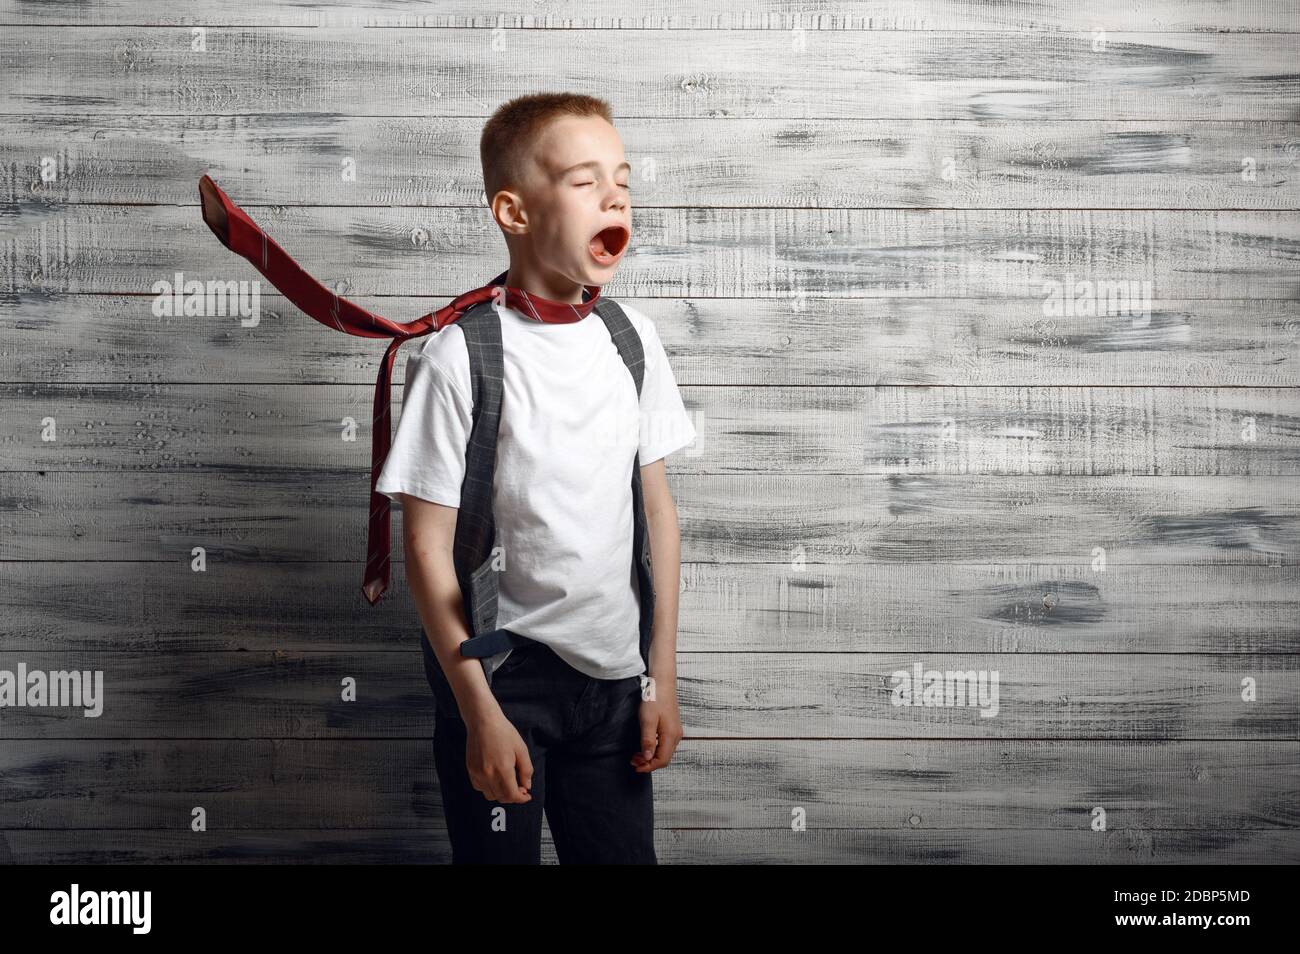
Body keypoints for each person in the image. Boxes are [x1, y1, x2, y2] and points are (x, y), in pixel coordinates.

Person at [374, 93, 695, 863]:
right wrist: (477, 712)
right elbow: (425, 550)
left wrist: (661, 678)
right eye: (585, 182)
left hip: (616, 681)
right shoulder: (460, 357)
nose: (616, 196)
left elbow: (658, 515)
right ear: (514, 212)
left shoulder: (632, 341)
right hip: (501, 683)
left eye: (622, 180)